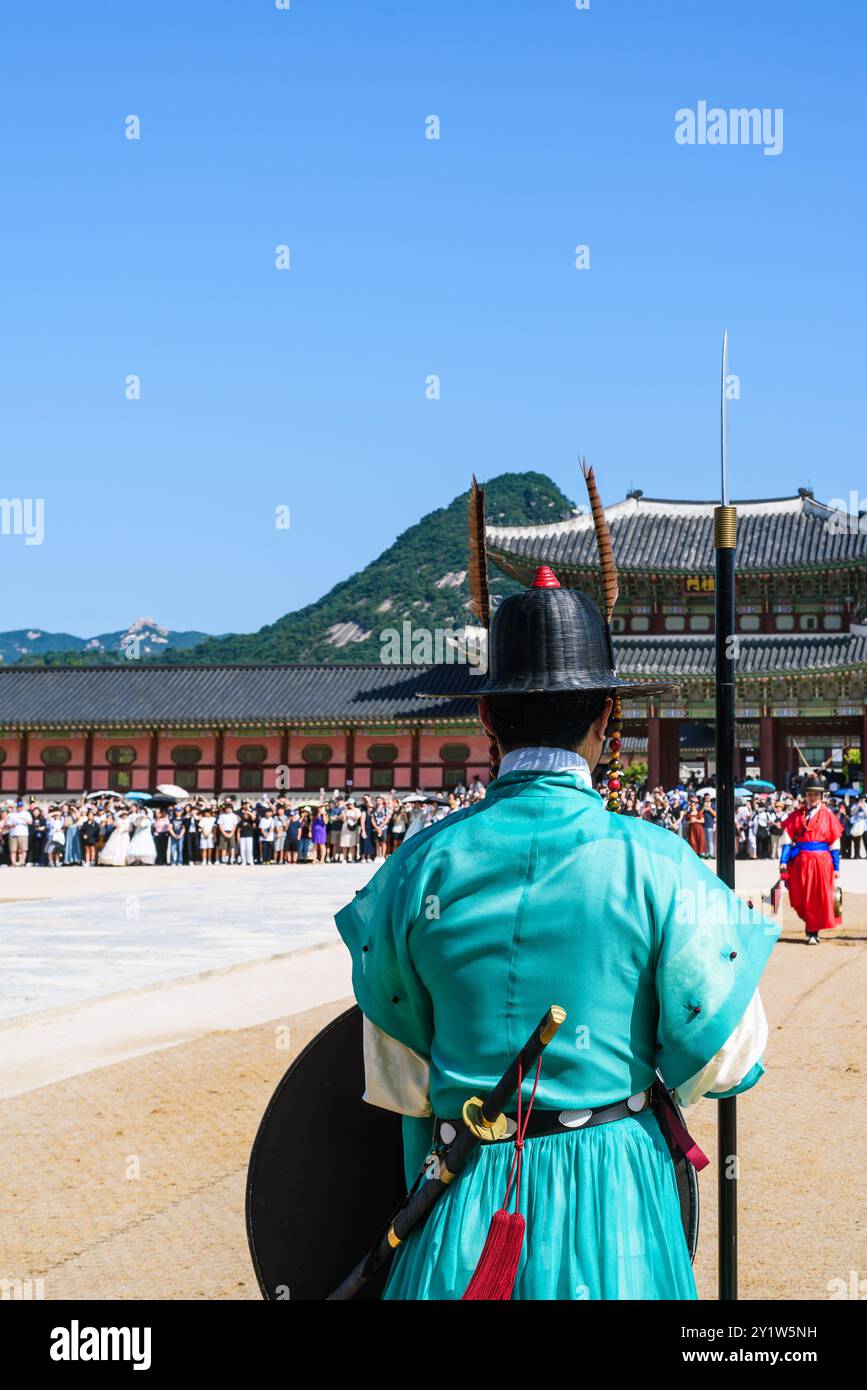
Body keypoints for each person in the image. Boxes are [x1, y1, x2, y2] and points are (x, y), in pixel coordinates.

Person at [335, 541, 780, 1301]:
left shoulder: (413, 870)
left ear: (484, 716)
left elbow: (400, 1081)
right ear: (608, 716)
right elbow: (728, 1056)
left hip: (459, 1210)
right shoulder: (657, 861)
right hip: (617, 1215)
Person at [779, 774, 843, 943]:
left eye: (816, 794)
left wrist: (836, 867)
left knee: (820, 897)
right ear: (805, 795)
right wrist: (783, 862)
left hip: (822, 863)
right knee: (802, 897)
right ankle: (810, 926)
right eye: (810, 794)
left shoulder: (828, 816)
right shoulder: (797, 815)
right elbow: (787, 840)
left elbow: (834, 844)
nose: (812, 797)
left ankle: (813, 932)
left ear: (821, 796)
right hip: (801, 862)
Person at [7, 801, 32, 866]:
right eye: (18, 807)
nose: (20, 808)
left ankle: (22, 862)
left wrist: (23, 819)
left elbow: (30, 822)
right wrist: (12, 825)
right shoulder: (12, 814)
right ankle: (13, 863)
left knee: (23, 849)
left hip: (23, 833)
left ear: (23, 807)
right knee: (13, 849)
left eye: (21, 806)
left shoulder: (26, 814)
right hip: (13, 833)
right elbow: (8, 824)